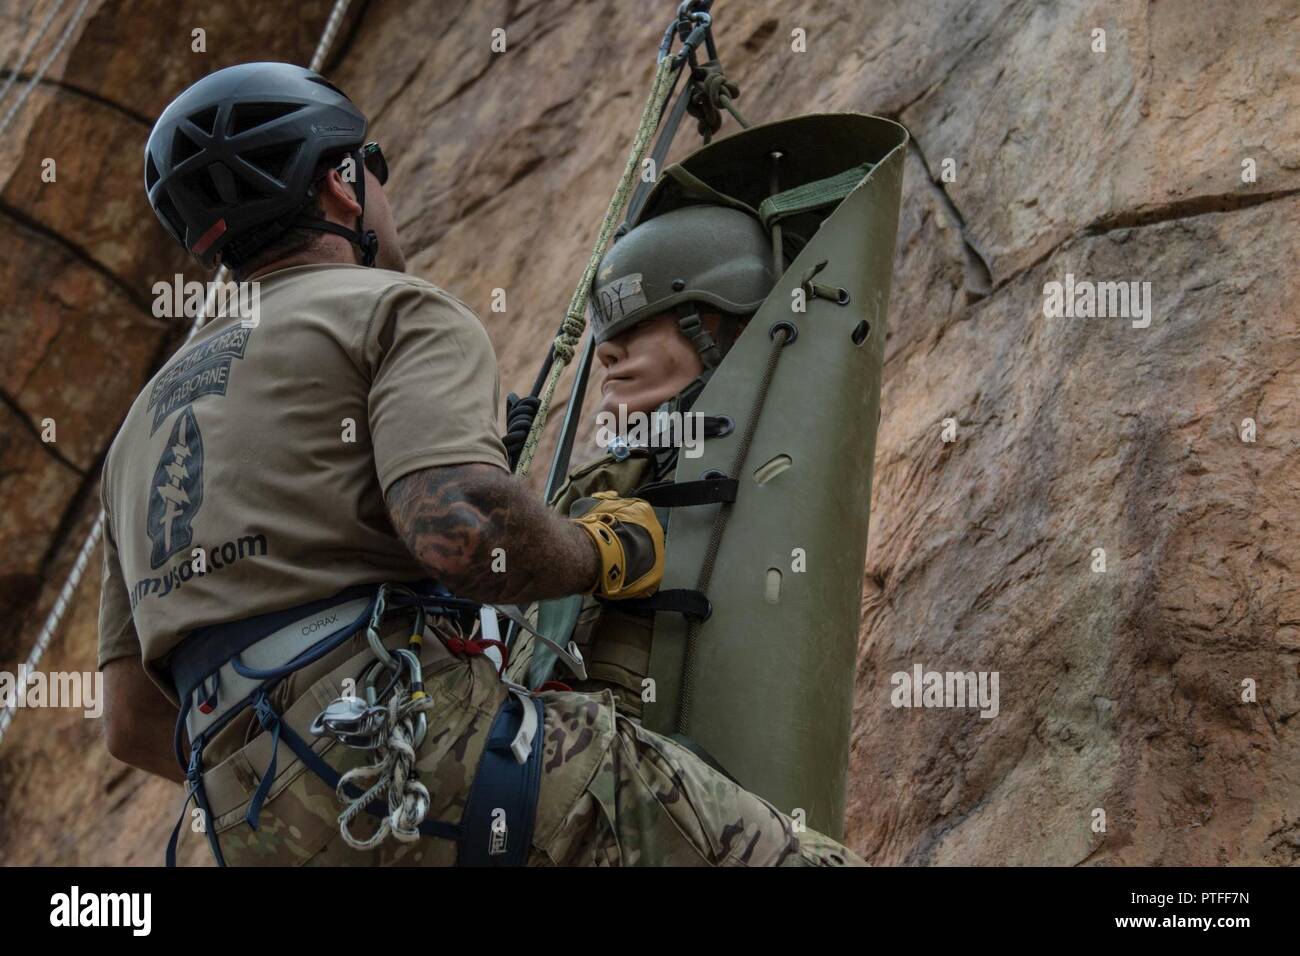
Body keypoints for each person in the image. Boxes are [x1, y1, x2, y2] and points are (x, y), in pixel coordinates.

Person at [101, 62, 861, 866]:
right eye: (377, 168)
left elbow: (131, 724)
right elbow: (459, 532)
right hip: (432, 769)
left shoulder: (136, 434)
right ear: (343, 186)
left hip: (250, 831)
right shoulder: (393, 308)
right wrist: (601, 549)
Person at [505, 204, 779, 723]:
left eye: (640, 328)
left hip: (647, 755)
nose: (609, 356)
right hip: (546, 737)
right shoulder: (614, 475)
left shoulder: (770, 451)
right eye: (608, 342)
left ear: (724, 331)